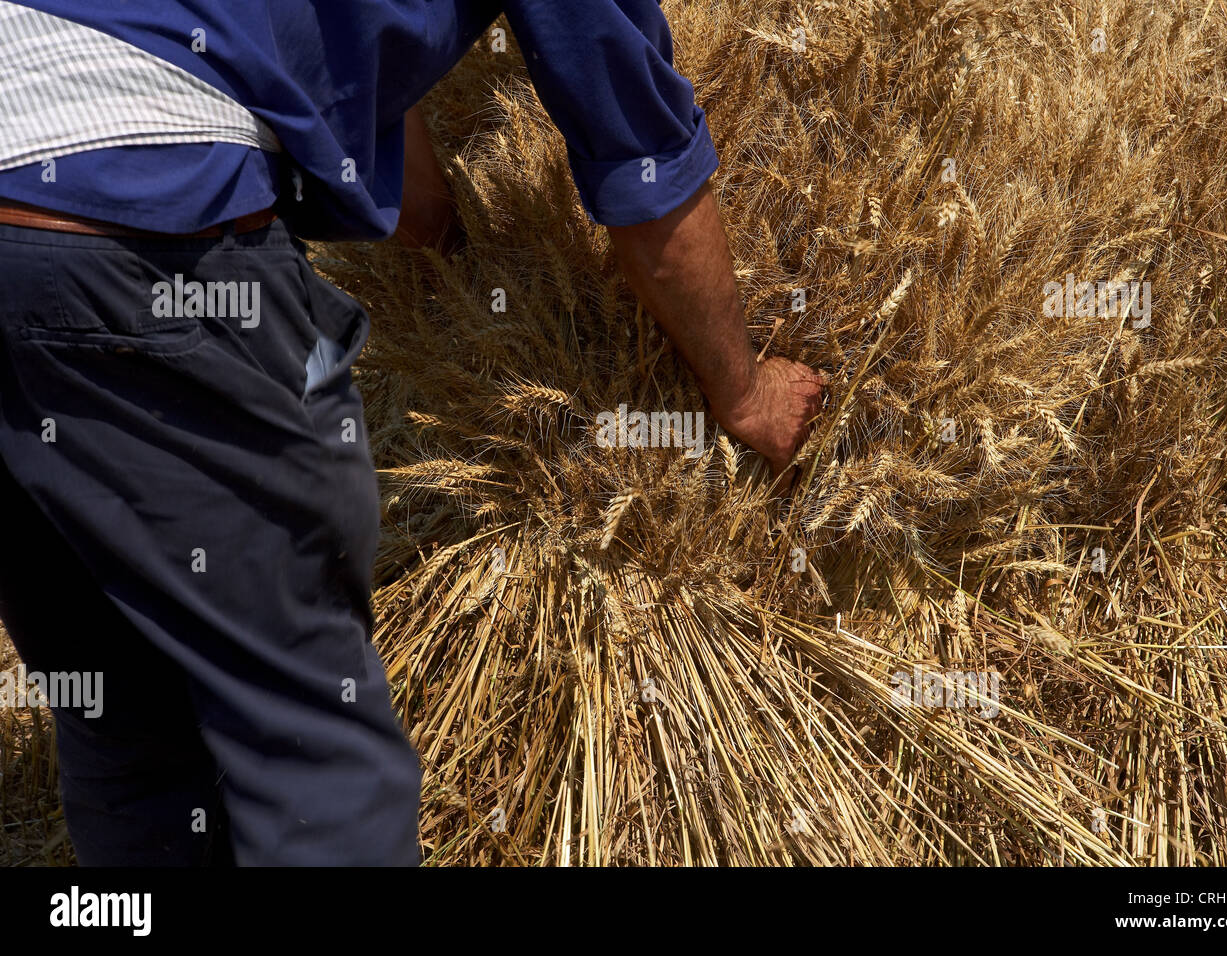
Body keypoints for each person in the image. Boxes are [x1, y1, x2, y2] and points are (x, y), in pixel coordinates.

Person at [0, 0, 824, 865]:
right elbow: (637, 145)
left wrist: (456, 269)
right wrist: (741, 390)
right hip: (139, 216)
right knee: (308, 753)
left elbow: (392, 151)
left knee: (127, 719)